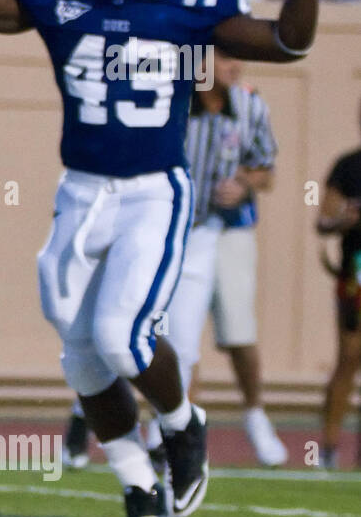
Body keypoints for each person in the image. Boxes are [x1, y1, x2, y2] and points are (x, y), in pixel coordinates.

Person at [0, 0, 338, 517]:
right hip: (81, 191)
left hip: (153, 191)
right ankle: (138, 485)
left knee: (121, 335)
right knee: (80, 351)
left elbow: (287, 44)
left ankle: (182, 423)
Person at [63, 51, 285, 468]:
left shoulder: (250, 105)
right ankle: (83, 418)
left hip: (201, 232)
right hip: (147, 229)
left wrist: (244, 182)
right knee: (115, 331)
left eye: (239, 57)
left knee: (180, 343)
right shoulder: (165, 99)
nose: (234, 66)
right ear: (197, 58)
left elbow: (265, 167)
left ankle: (163, 440)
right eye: (224, 57)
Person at [316, 101, 361, 469]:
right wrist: (343, 219)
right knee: (349, 358)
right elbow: (323, 220)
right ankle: (328, 450)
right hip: (357, 271)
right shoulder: (348, 167)